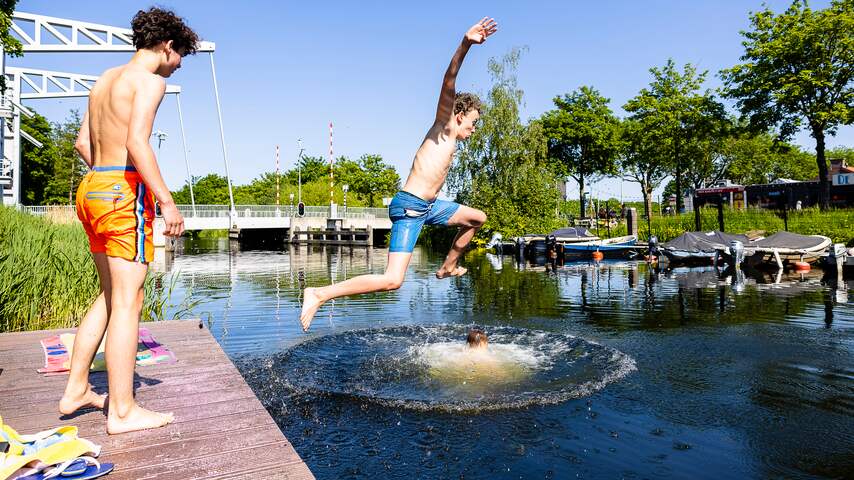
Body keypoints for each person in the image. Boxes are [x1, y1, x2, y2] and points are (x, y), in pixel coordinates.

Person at [300, 18, 499, 331]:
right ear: (458, 116)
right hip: (409, 207)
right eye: (473, 122)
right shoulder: (443, 129)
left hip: (429, 207)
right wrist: (465, 44)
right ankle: (320, 293)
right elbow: (449, 80)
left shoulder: (452, 142)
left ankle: (448, 266)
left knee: (477, 218)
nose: (474, 129)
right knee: (393, 280)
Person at [58, 7, 197, 434]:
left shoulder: (104, 79)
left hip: (92, 187)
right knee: (129, 302)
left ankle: (77, 389)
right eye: (179, 58)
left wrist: (105, 173)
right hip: (123, 193)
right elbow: (137, 142)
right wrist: (167, 203)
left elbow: (84, 142)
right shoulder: (149, 82)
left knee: (110, 295)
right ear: (167, 46)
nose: (176, 68)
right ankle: (122, 411)